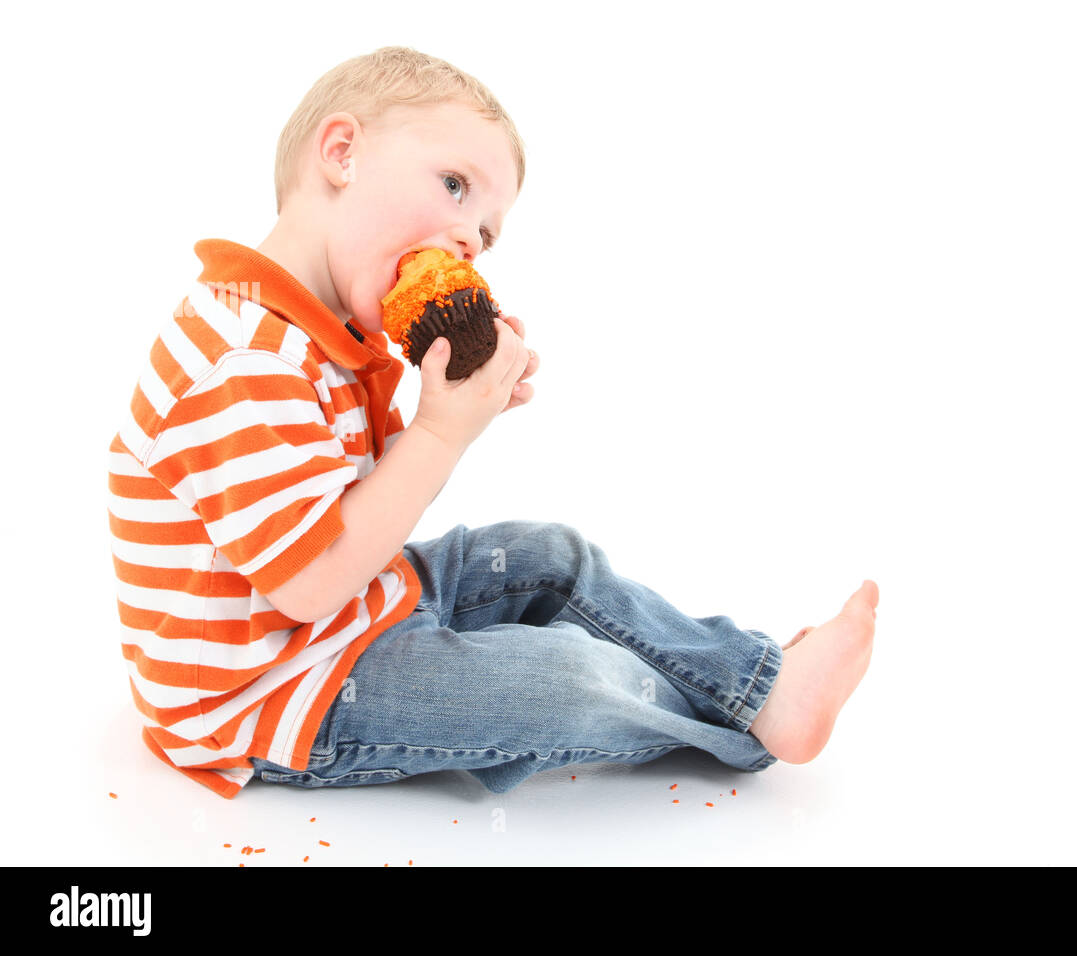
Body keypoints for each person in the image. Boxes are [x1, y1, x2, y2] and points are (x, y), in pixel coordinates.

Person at [106, 46, 878, 799]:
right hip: (271, 693)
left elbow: (357, 516)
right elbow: (310, 583)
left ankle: (757, 685)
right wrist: (440, 434)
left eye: (487, 231)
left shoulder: (324, 337)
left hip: (362, 605)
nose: (470, 240)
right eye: (454, 186)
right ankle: (755, 718)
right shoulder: (241, 360)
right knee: (559, 682)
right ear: (342, 153)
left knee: (549, 555)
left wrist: (457, 402)